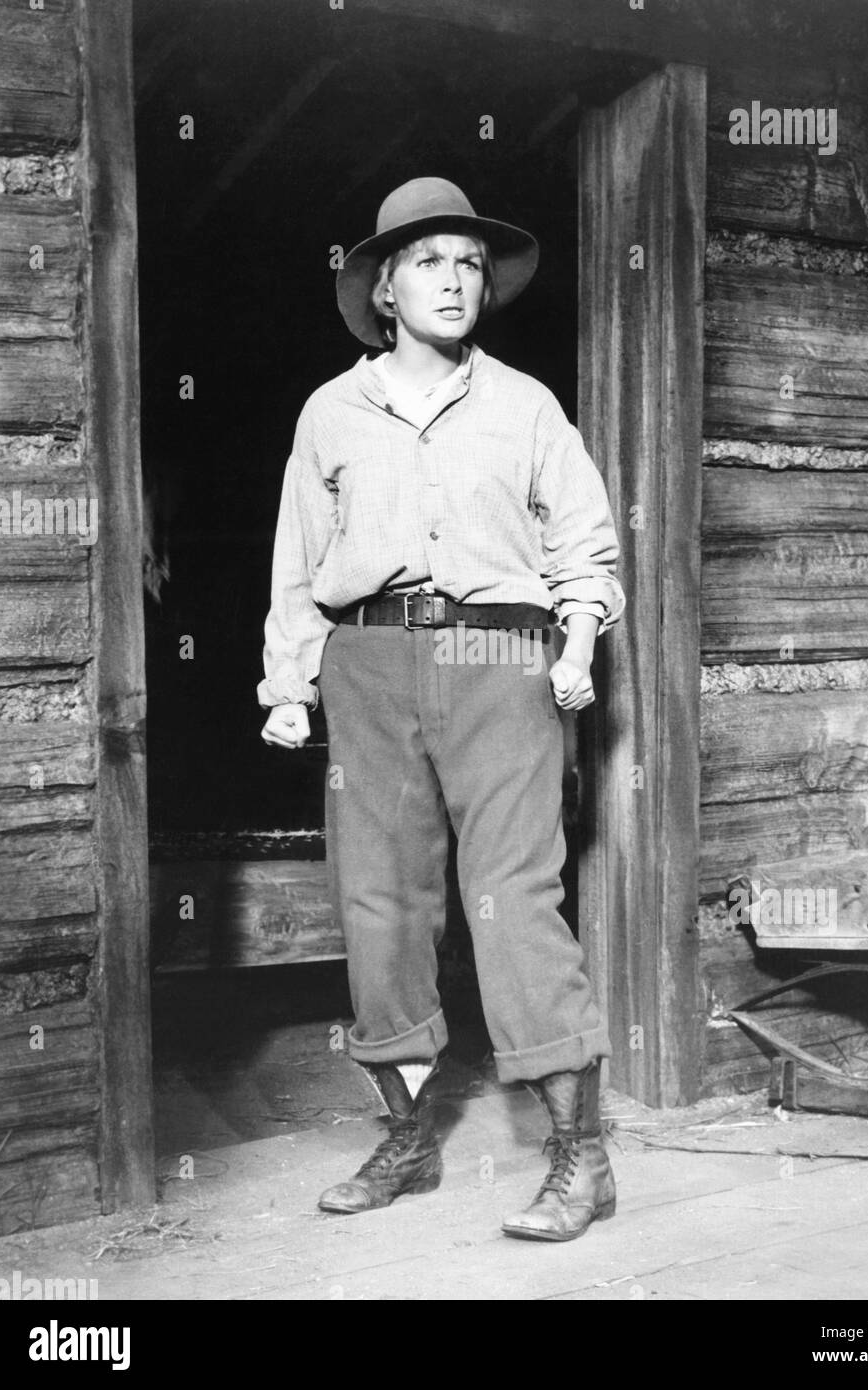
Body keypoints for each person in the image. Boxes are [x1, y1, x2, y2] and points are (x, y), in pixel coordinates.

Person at [258, 177, 625, 1241]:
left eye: (468, 262)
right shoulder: (331, 412)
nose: (454, 280)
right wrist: (290, 683)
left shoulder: (525, 407)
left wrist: (579, 638)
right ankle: (410, 1139)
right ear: (382, 290)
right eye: (428, 262)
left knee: (512, 897)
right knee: (379, 901)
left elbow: (586, 549)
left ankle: (580, 1158)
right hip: (365, 661)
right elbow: (296, 566)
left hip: (495, 656)